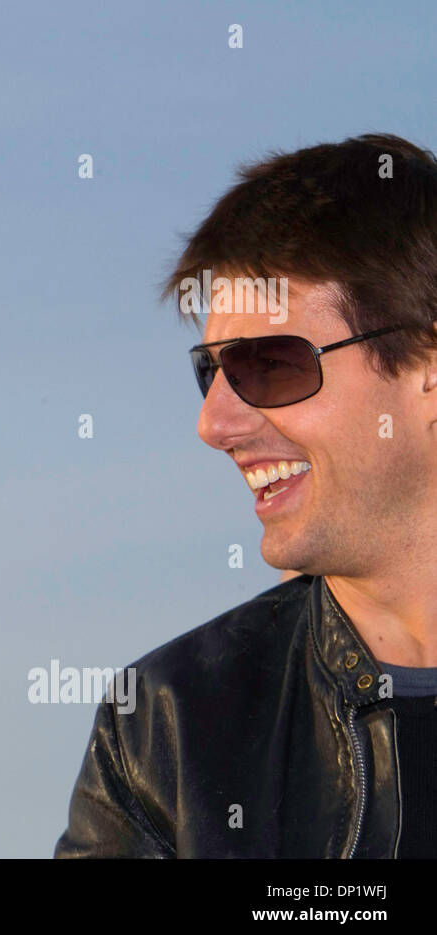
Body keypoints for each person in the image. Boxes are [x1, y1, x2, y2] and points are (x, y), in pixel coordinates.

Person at [55, 133, 437, 858]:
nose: (213, 424)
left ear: (426, 368)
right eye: (212, 371)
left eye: (269, 363)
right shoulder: (165, 732)